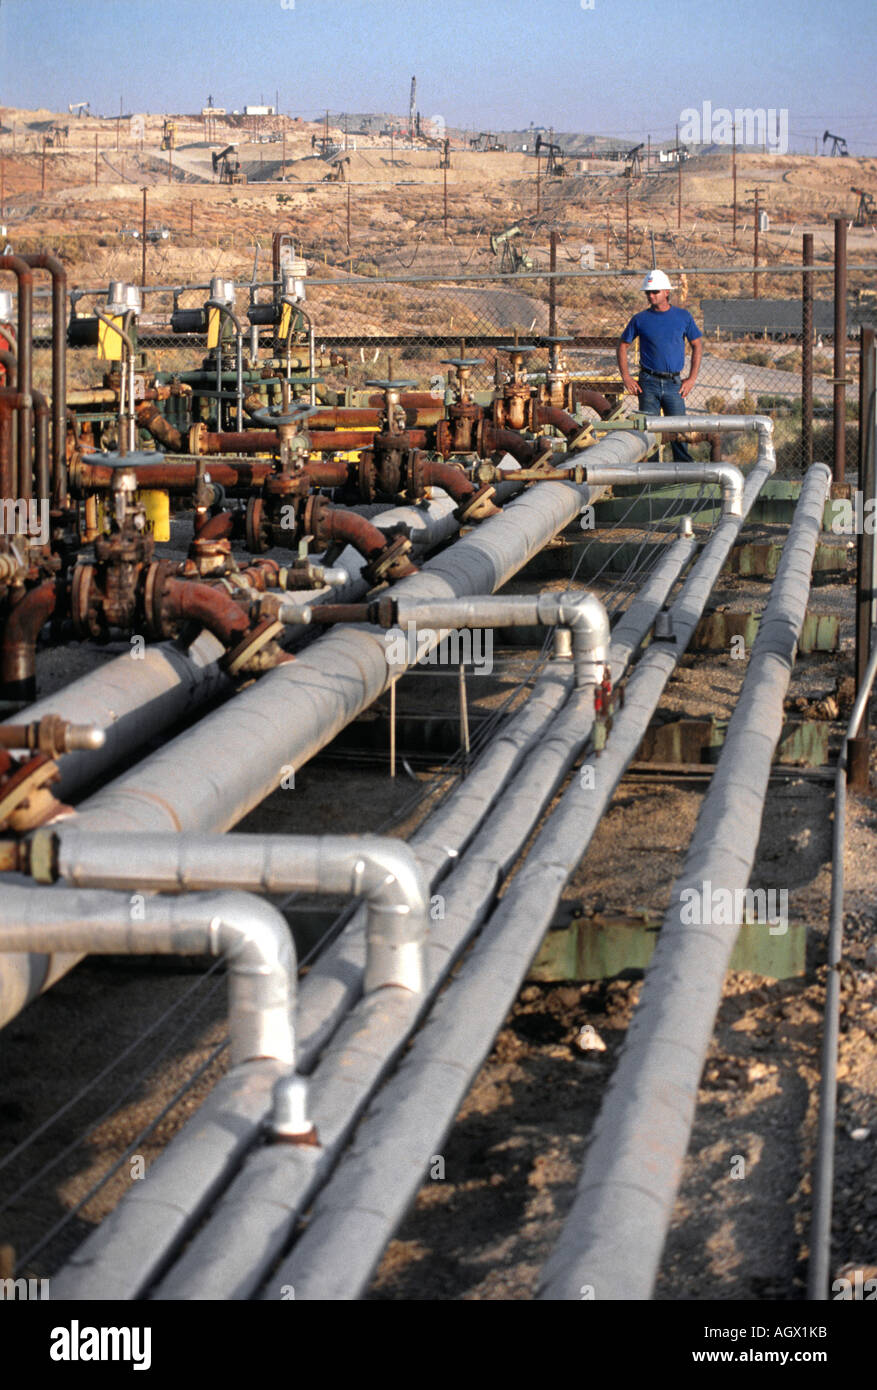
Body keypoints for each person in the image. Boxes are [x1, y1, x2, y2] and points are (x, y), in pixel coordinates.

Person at [617, 269, 703, 462]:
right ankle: (652, 474)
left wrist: (692, 378)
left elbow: (697, 345)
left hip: (674, 383)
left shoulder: (683, 317)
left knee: (679, 431)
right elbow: (622, 346)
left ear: (666, 292)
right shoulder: (640, 319)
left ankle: (684, 472)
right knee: (649, 431)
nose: (651, 295)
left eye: (655, 291)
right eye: (648, 292)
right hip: (648, 382)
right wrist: (626, 377)